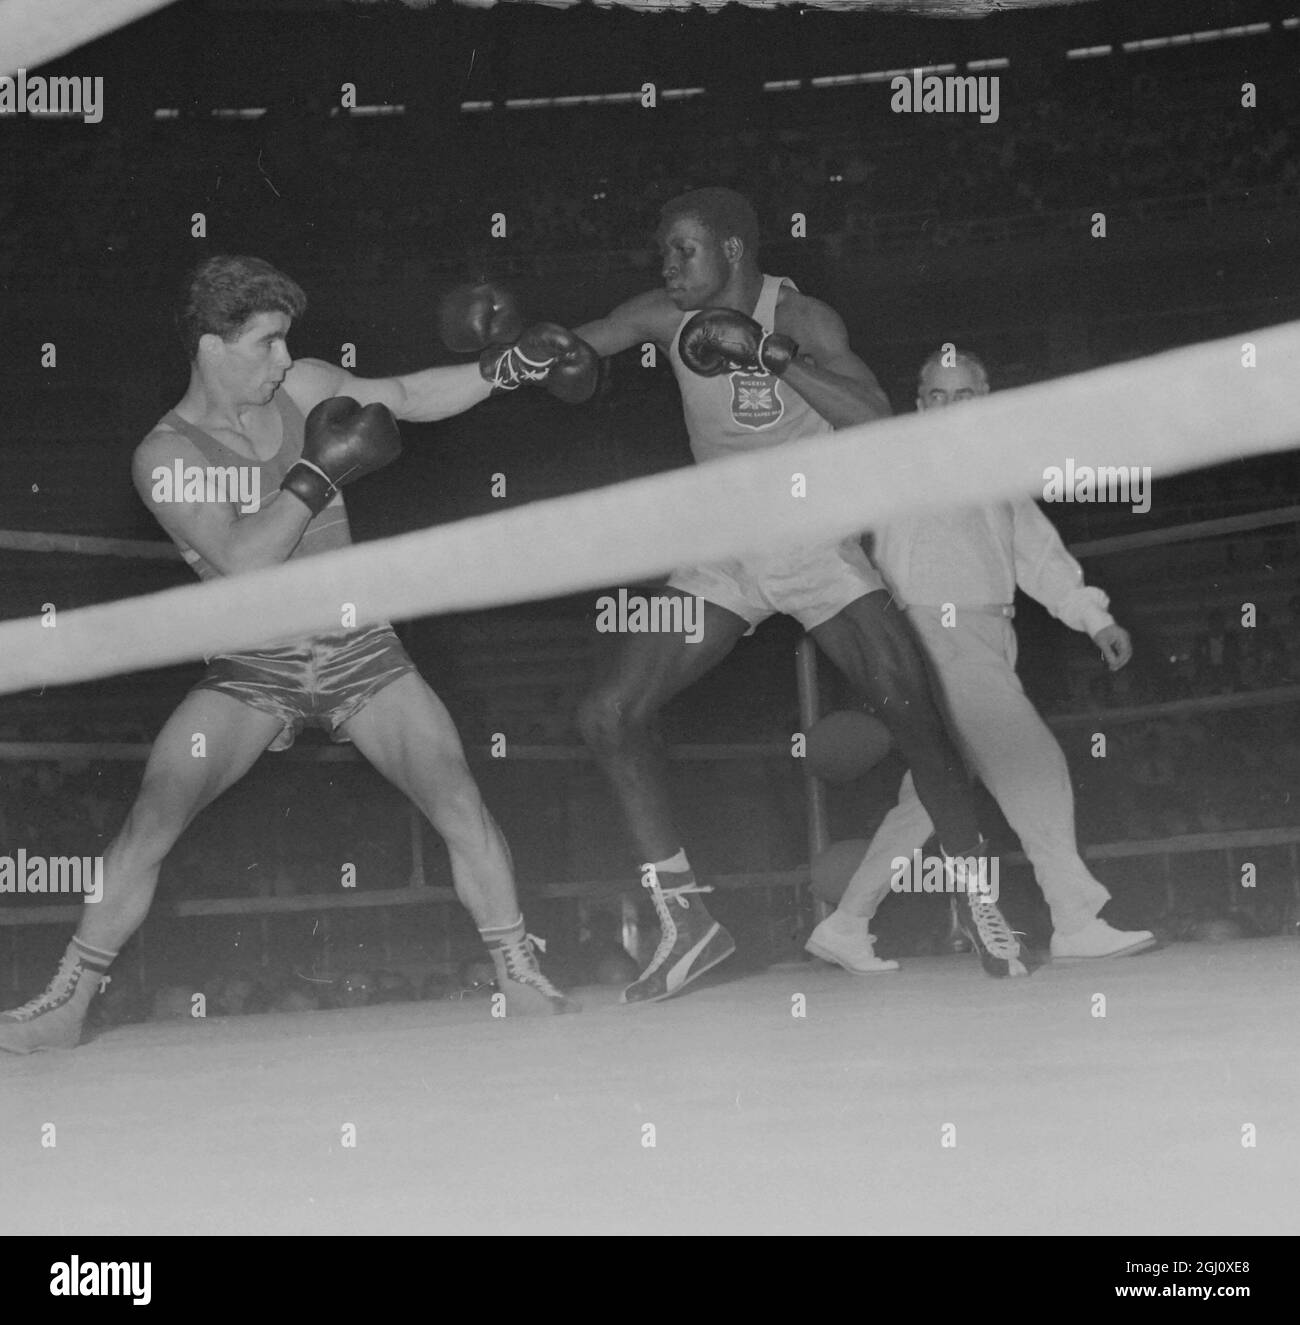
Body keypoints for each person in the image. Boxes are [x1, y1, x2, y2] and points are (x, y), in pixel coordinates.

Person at [0, 255, 597, 1053]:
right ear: (212, 345)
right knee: (154, 812)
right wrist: (319, 470)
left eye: (287, 342)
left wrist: (501, 372)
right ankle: (68, 1000)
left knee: (457, 794)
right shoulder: (166, 455)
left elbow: (410, 396)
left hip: (357, 643)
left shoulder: (305, 385)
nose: (285, 360)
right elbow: (244, 558)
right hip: (254, 664)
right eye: (266, 343)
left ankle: (519, 971)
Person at [567, 188, 1035, 999]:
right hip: (726, 552)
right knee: (608, 713)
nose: (668, 266)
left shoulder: (806, 318)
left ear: (734, 251)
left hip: (816, 544)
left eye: (684, 250)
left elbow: (877, 417)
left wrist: (770, 355)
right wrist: (519, 346)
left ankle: (984, 903)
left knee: (914, 715)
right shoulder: (657, 315)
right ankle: (687, 923)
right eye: (665, 252)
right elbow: (575, 349)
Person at [806, 349, 1155, 970]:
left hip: (989, 635)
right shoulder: (895, 459)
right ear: (918, 405)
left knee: (930, 796)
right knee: (1032, 763)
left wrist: (1093, 616)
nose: (947, 408)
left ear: (984, 399)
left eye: (961, 395)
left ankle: (847, 923)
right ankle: (1075, 918)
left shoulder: (997, 471)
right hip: (937, 633)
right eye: (936, 396)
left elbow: (1036, 556)